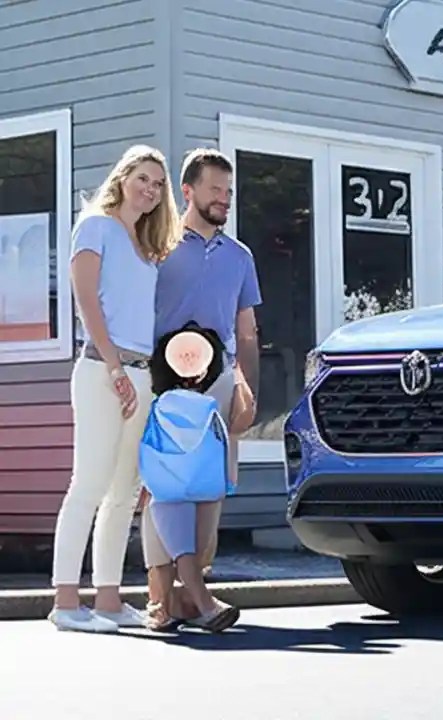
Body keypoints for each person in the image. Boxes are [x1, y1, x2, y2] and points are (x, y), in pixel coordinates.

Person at [48, 144, 181, 633]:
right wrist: (114, 369)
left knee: (124, 492)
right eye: (143, 178)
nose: (150, 189)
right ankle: (66, 601)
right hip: (102, 372)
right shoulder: (96, 226)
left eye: (158, 184)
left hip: (141, 373)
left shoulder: (146, 248)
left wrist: (140, 376)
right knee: (90, 483)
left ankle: (107, 599)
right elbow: (86, 301)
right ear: (123, 177)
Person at [139, 147, 261, 630]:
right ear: (187, 191)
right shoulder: (158, 246)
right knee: (163, 486)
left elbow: (247, 330)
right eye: (215, 189)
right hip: (164, 385)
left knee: (210, 488)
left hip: (220, 382)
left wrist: (247, 389)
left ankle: (193, 593)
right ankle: (159, 599)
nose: (223, 199)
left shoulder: (240, 256)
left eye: (228, 192)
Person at [139, 323, 240, 632]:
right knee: (188, 549)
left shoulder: (156, 404)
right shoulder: (208, 406)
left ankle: (167, 608)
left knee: (178, 546)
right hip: (201, 482)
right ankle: (204, 604)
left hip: (166, 483)